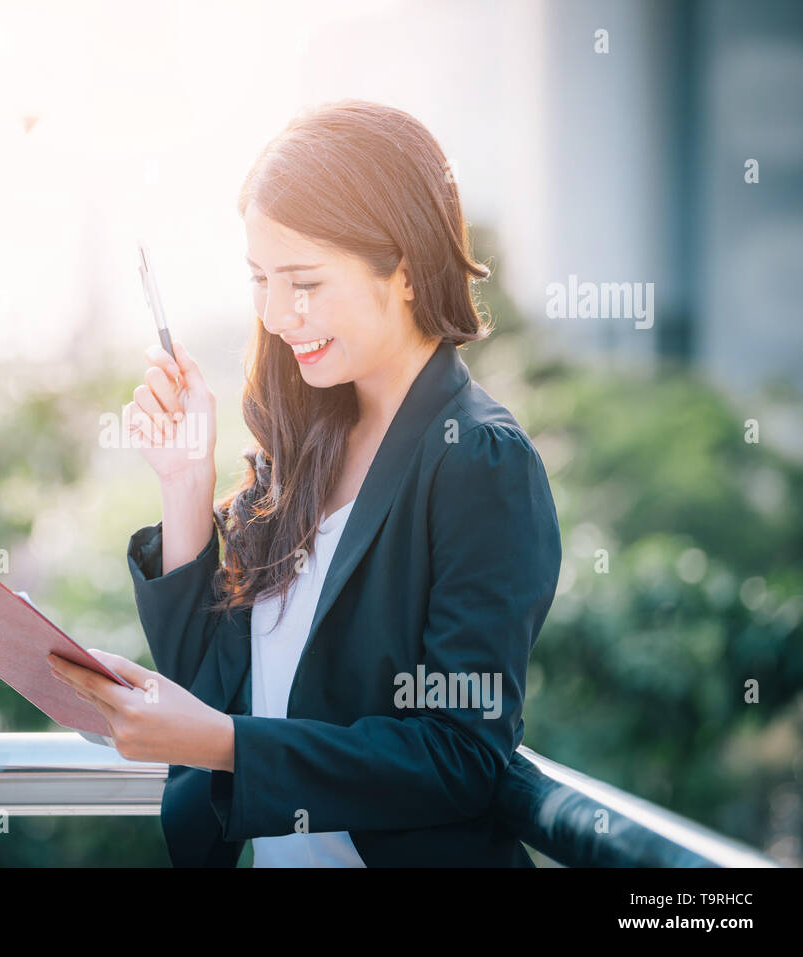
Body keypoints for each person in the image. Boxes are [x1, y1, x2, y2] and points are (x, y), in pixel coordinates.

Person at [48, 99, 561, 867]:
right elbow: (208, 682)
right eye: (260, 278)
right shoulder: (306, 443)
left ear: (410, 269)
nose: (279, 314)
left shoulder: (478, 461)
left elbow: (462, 756)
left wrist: (223, 744)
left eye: (305, 281)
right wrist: (186, 481)